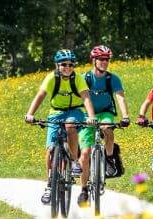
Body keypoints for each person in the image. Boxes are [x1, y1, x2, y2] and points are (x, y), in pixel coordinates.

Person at [24, 49, 96, 205]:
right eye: (64, 64)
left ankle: (74, 161)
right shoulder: (51, 78)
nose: (67, 67)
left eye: (70, 64)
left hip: (75, 111)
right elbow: (40, 96)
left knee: (70, 126)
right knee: (50, 149)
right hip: (56, 113)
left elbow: (86, 98)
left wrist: (91, 116)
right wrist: (30, 114)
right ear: (57, 65)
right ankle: (50, 184)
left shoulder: (77, 78)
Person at [76, 45, 130, 207]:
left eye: (107, 59)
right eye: (101, 59)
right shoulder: (85, 78)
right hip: (87, 115)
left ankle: (109, 157)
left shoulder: (112, 78)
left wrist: (125, 115)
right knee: (85, 154)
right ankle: (84, 189)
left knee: (108, 128)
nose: (105, 62)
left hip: (106, 112)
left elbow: (120, 97)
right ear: (93, 60)